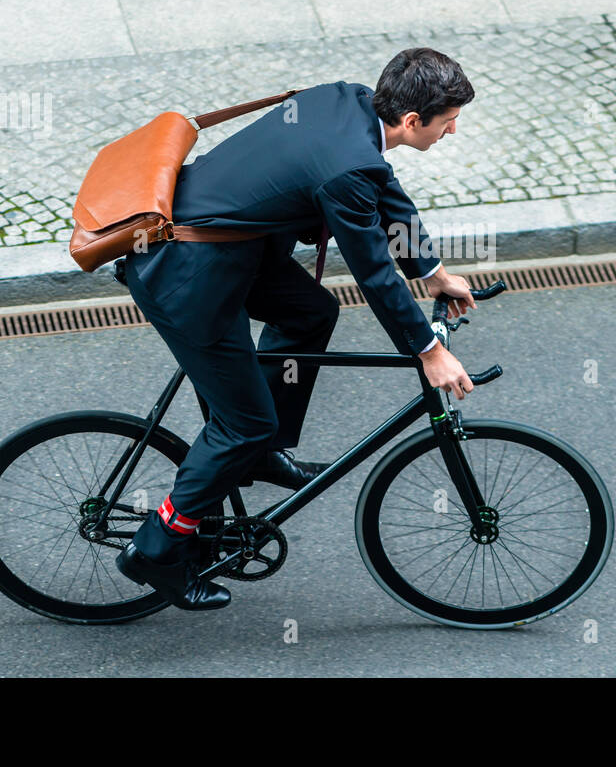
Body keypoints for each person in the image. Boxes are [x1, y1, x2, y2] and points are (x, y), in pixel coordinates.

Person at [116, 47, 479, 610]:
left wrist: (432, 274)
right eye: (449, 120)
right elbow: (373, 273)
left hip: (226, 246)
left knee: (311, 313)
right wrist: (428, 350)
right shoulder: (347, 168)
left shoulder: (350, 100)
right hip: (186, 275)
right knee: (241, 424)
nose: (453, 130)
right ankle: (157, 550)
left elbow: (386, 195)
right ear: (412, 122)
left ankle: (259, 453)